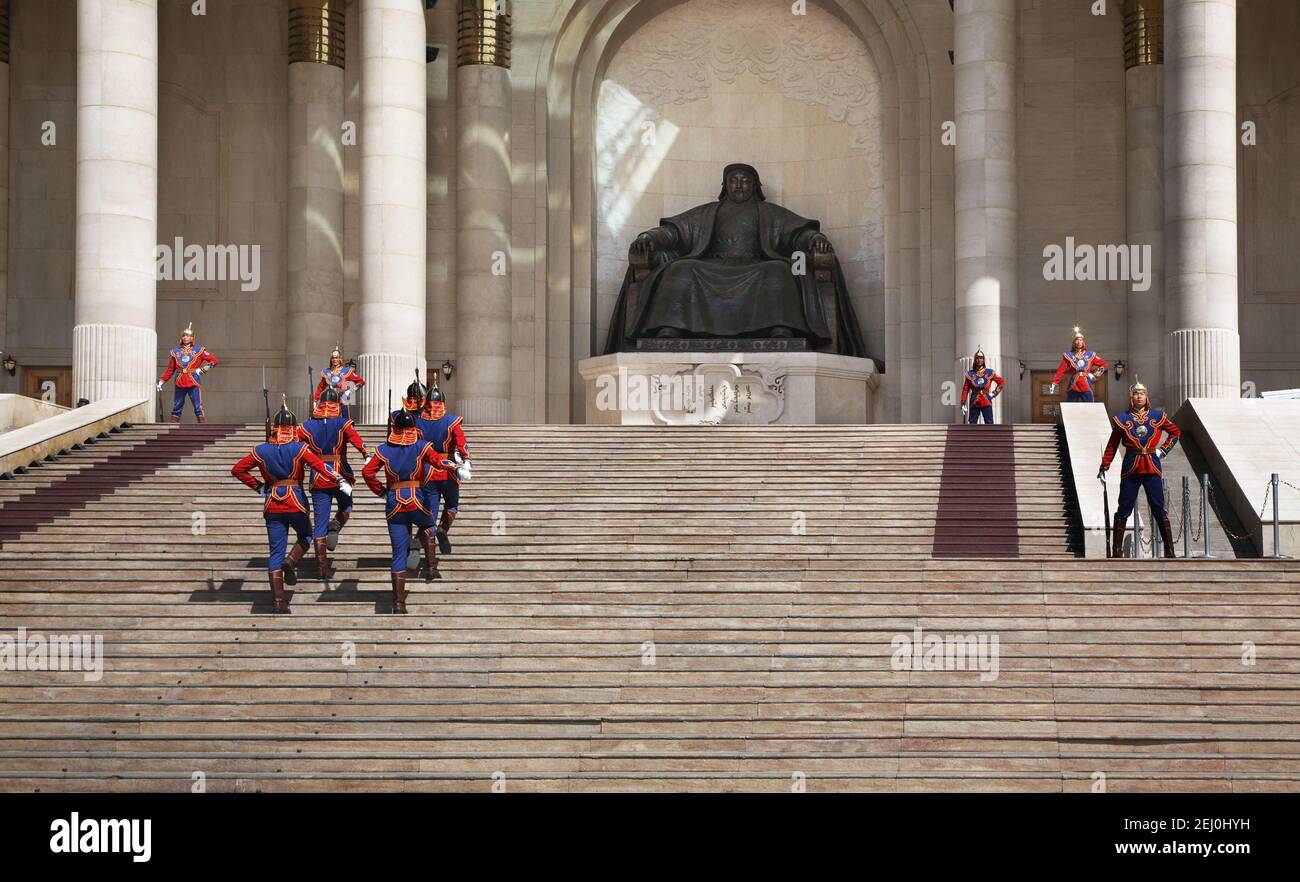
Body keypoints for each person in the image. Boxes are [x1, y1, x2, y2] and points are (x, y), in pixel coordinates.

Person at [231, 399, 348, 613]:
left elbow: (237, 470)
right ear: (293, 428)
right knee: (306, 535)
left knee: (275, 551)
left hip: (273, 503)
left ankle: (278, 602)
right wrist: (339, 479)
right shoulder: (299, 448)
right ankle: (292, 560)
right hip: (295, 500)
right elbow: (319, 466)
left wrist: (259, 487)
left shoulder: (261, 450)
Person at [363, 409, 450, 613]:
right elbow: (439, 461)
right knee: (429, 526)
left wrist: (381, 491)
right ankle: (431, 567)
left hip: (394, 504)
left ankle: (399, 604)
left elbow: (367, 472)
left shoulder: (383, 450)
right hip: (417, 500)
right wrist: (455, 466)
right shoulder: (421, 446)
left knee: (397, 555)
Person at [1098, 380, 1181, 559]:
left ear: (1146, 396)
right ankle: (1117, 550)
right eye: (1136, 393)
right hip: (1131, 466)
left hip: (1151, 465)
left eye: (1142, 393)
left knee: (1159, 508)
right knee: (1124, 508)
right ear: (1131, 397)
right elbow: (1112, 444)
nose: (1139, 396)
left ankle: (1169, 551)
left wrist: (1163, 450)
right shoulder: (1123, 419)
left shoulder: (1158, 416)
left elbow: (1175, 432)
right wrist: (1105, 465)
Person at [301, 388, 370, 565]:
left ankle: (321, 568)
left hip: (318, 476)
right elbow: (356, 440)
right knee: (346, 507)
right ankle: (336, 526)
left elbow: (293, 447)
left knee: (319, 523)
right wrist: (366, 455)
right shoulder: (343, 423)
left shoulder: (306, 426)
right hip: (341, 473)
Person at [420, 381, 470, 554]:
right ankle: (443, 530)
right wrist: (466, 459)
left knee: (430, 514)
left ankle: (426, 555)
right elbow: (461, 441)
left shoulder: (418, 422)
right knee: (452, 506)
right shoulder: (451, 421)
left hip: (427, 471)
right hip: (448, 470)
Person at [158, 322, 220, 423]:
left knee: (197, 405)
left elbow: (214, 360)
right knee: (177, 405)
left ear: (192, 338)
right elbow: (170, 369)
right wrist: (162, 381)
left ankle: (202, 428)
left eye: (188, 335)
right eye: (184, 335)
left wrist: (203, 369)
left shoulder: (199, 350)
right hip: (180, 380)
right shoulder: (176, 351)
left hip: (193, 379)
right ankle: (173, 427)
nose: (185, 337)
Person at [1050, 326, 1107, 403]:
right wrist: (1054, 383)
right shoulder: (1069, 356)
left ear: (1083, 342)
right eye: (1077, 340)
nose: (1079, 342)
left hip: (1086, 384)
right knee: (1069, 409)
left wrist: (1094, 374)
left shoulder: (1090, 355)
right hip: (1074, 385)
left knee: (1090, 408)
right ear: (1074, 342)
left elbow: (1104, 364)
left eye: (1080, 340)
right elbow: (1060, 371)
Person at [313, 345, 365, 420]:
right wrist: (315, 400)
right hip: (330, 398)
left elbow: (361, 382)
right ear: (331, 359)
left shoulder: (346, 371)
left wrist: (350, 391)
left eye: (336, 357)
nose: (334, 360)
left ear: (340, 359)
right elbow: (320, 387)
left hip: (342, 397)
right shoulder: (326, 372)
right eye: (333, 358)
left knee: (344, 418)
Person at [959, 347, 1005, 424]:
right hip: (974, 401)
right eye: (977, 358)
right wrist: (963, 403)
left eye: (981, 358)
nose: (979, 360)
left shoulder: (989, 372)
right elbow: (965, 389)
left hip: (986, 400)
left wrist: (993, 393)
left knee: (989, 423)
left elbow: (1001, 382)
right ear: (975, 360)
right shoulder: (970, 374)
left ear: (983, 360)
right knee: (972, 423)